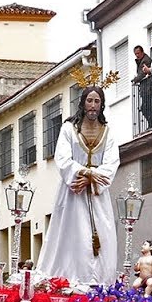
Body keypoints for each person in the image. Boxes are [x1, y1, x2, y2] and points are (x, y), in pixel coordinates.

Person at [33, 85, 120, 286]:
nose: (93, 105)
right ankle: (69, 280)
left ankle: (100, 283)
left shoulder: (108, 132)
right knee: (74, 237)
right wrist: (83, 174)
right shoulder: (68, 129)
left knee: (102, 237)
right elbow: (62, 158)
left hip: (97, 194)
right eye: (89, 100)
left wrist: (92, 178)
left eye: (97, 101)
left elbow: (112, 162)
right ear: (82, 103)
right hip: (73, 191)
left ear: (102, 105)